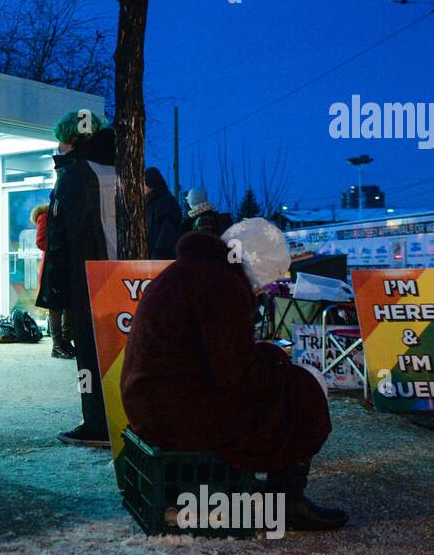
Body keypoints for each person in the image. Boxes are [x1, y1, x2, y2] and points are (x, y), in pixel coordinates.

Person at [119, 221, 348, 530]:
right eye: (269, 276)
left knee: (288, 384)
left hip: (155, 407)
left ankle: (269, 491)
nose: (265, 287)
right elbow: (240, 377)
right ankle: (288, 500)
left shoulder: (191, 271)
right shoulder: (221, 285)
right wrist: (275, 358)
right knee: (305, 387)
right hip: (178, 416)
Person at [36, 110, 118, 447]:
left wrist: (56, 289)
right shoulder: (115, 170)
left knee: (87, 355)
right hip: (121, 275)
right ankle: (117, 417)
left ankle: (95, 423)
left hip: (88, 278)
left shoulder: (73, 175)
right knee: (114, 350)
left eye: (61, 139)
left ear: (71, 140)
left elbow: (62, 237)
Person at [32, 202, 73, 359]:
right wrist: (59, 248)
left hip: (64, 265)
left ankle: (65, 340)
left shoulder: (62, 215)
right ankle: (57, 343)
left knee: (67, 305)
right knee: (55, 307)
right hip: (53, 266)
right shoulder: (45, 216)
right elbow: (40, 242)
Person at [144, 167, 181, 260]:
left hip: (163, 259)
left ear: (150, 184)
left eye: (143, 184)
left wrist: (158, 255)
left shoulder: (165, 202)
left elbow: (166, 232)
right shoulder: (153, 203)